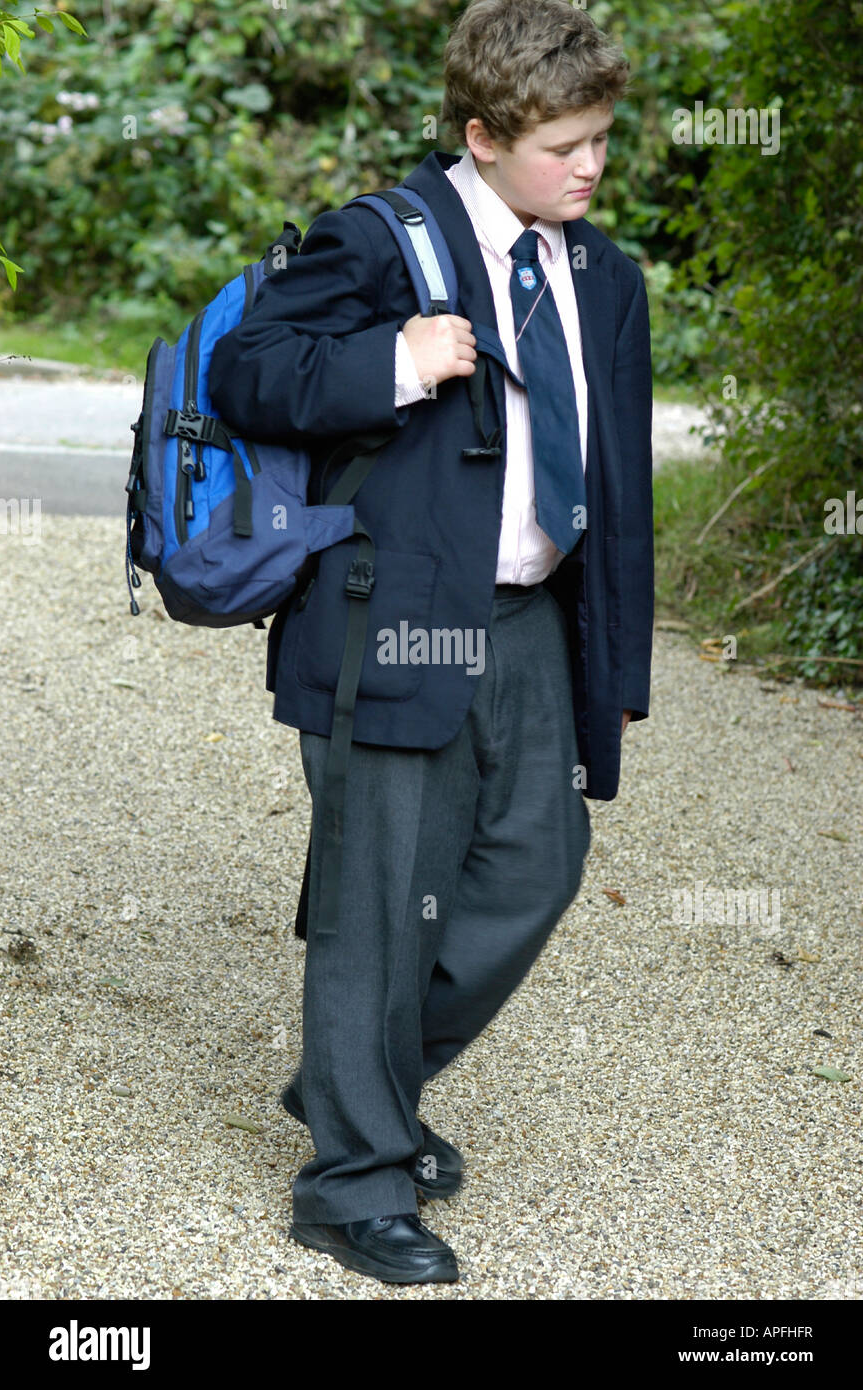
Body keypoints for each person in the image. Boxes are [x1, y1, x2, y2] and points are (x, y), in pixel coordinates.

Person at [208, 0, 653, 1287]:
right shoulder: (381, 240)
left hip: (532, 623)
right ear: (482, 133)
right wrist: (390, 359)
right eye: (565, 144)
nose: (590, 166)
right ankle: (352, 1185)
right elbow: (251, 368)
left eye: (601, 140)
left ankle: (354, 1080)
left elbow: (617, 483)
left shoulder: (604, 274)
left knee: (539, 862)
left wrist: (614, 671)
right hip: (388, 618)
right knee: (378, 906)